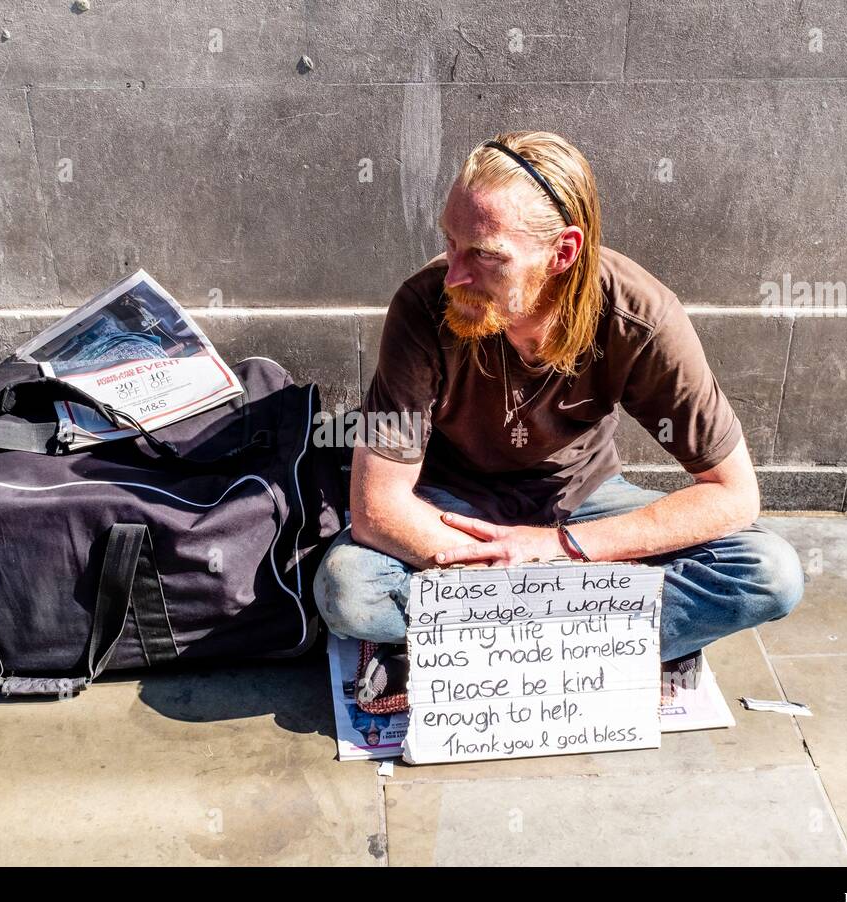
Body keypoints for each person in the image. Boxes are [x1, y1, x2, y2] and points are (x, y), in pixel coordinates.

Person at [313, 131, 805, 704]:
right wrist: (513, 571)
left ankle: (473, 647)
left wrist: (561, 548)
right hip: (454, 513)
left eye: (486, 255)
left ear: (563, 253)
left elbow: (733, 494)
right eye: (450, 243)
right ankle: (591, 639)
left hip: (581, 499)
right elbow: (378, 510)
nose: (454, 275)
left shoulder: (638, 315)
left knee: (768, 574)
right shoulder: (424, 307)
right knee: (348, 590)